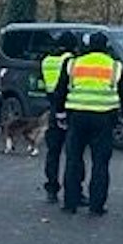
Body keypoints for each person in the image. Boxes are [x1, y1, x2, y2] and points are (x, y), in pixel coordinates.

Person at [51, 29, 123, 216]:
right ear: (106, 47)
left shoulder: (72, 64)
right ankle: (96, 206)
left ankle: (70, 202)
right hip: (104, 118)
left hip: (77, 117)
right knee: (100, 163)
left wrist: (59, 114)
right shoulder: (115, 66)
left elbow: (60, 91)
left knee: (73, 160)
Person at [39, 33, 75, 203]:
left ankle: (51, 189)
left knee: (53, 152)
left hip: (53, 107)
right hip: (70, 107)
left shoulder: (47, 61)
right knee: (74, 153)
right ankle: (75, 190)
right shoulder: (70, 61)